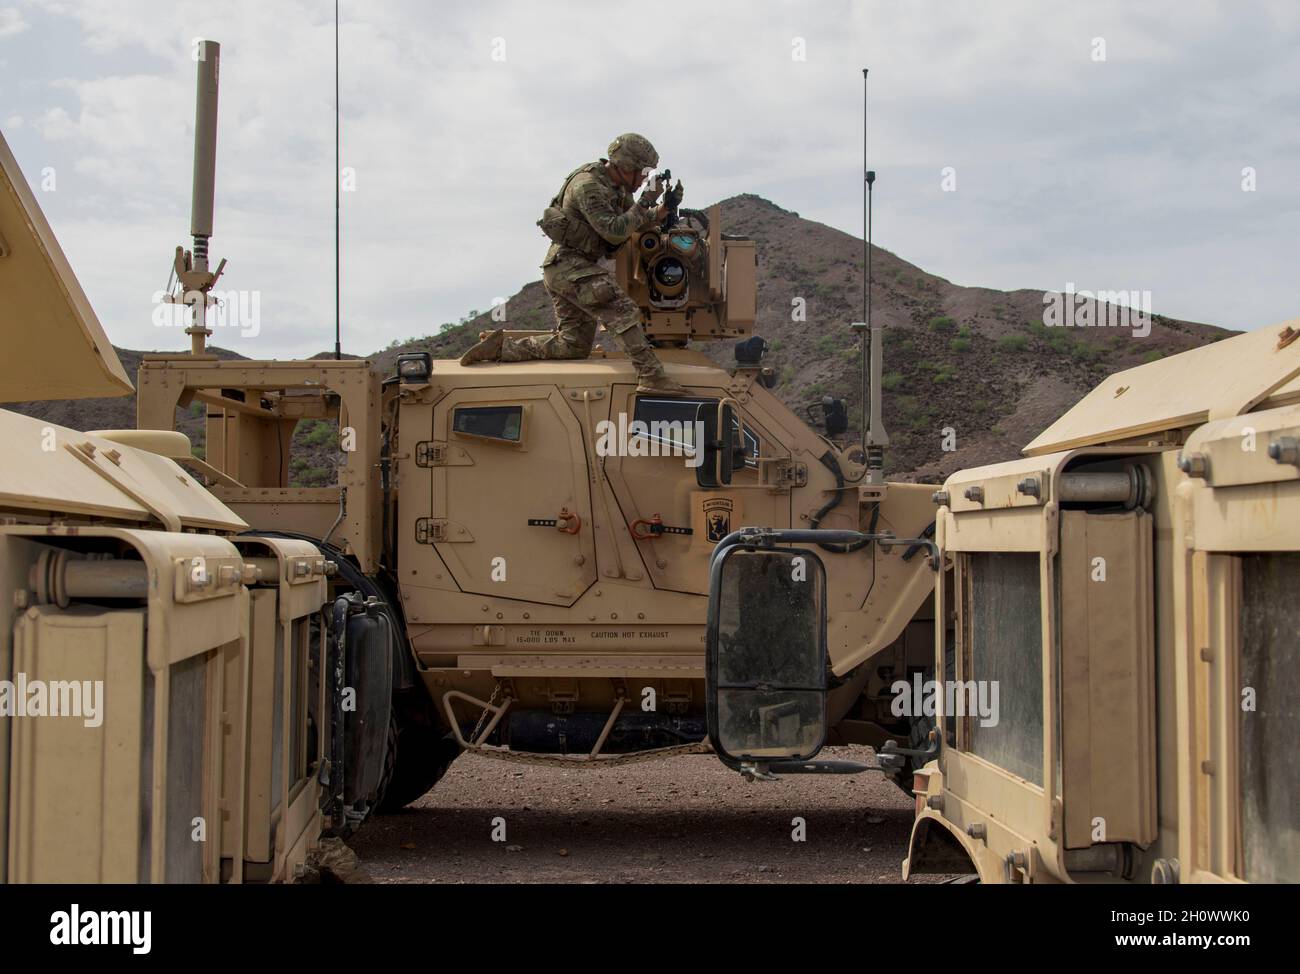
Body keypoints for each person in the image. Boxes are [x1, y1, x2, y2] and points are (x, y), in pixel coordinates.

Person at [460, 133, 687, 396]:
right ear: (627, 165)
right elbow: (614, 231)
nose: (645, 179)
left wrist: (664, 209)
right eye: (644, 172)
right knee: (621, 309)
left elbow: (635, 222)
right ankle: (651, 376)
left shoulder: (616, 187)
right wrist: (646, 200)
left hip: (568, 267)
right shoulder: (588, 186)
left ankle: (501, 349)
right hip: (568, 265)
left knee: (573, 345)